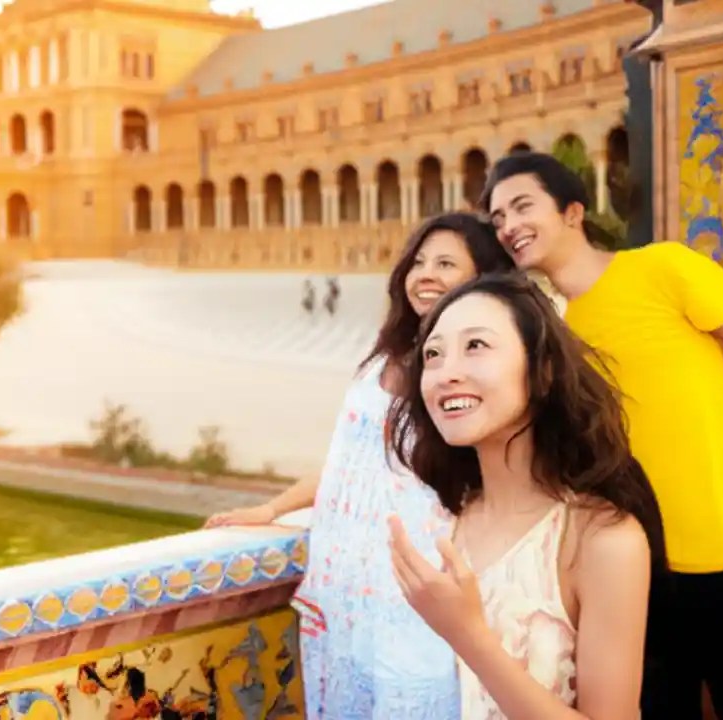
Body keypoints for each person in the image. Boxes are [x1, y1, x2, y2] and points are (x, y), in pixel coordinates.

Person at [481, 151, 723, 718]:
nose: (508, 225)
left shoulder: (663, 268)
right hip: (631, 576)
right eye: (497, 217)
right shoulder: (546, 337)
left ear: (573, 211)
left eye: (521, 206)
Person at [205, 213, 515, 718]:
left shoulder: (472, 375)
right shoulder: (380, 360)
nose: (426, 274)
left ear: (483, 280)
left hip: (415, 597)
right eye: (418, 262)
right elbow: (349, 466)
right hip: (345, 591)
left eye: (446, 263)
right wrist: (273, 508)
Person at [387, 272, 666, 718]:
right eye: (433, 355)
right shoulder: (436, 520)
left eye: (475, 346)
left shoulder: (601, 541)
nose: (446, 373)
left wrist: (468, 636)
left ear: (543, 371)